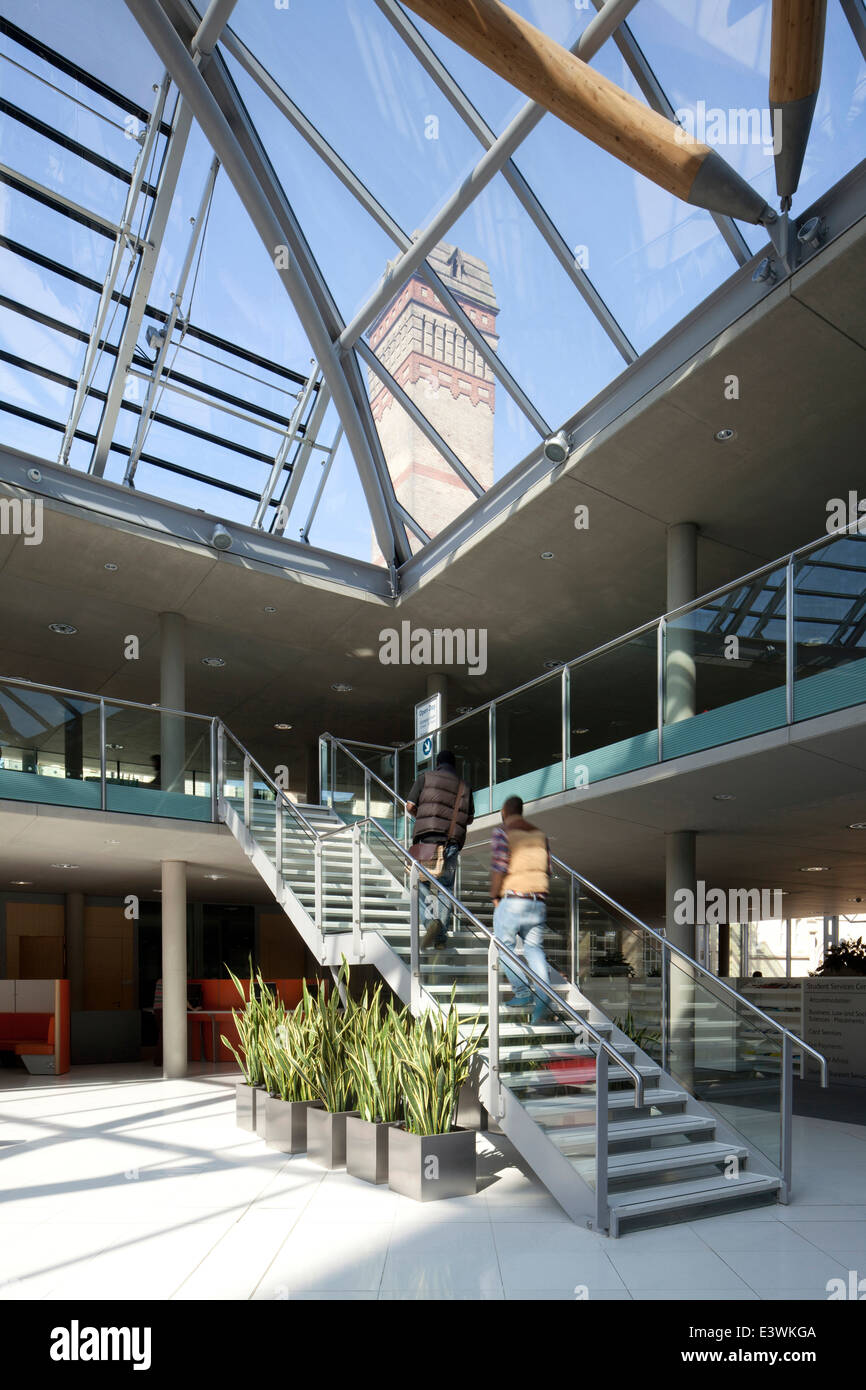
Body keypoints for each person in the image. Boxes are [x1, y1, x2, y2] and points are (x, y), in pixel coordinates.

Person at [490, 795, 554, 1026]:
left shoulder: (503, 832)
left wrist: (495, 895)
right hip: (538, 902)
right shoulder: (540, 835)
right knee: (534, 949)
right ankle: (544, 995)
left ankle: (522, 992)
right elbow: (548, 869)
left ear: (504, 812)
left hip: (514, 899)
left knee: (504, 947)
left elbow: (499, 866)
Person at [406, 750, 474, 949]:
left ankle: (430, 923)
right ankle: (440, 939)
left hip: (426, 841)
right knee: (445, 888)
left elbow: (409, 806)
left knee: (419, 882)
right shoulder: (465, 786)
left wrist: (423, 816)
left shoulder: (425, 778)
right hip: (451, 843)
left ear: (437, 764)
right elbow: (469, 818)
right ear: (454, 765)